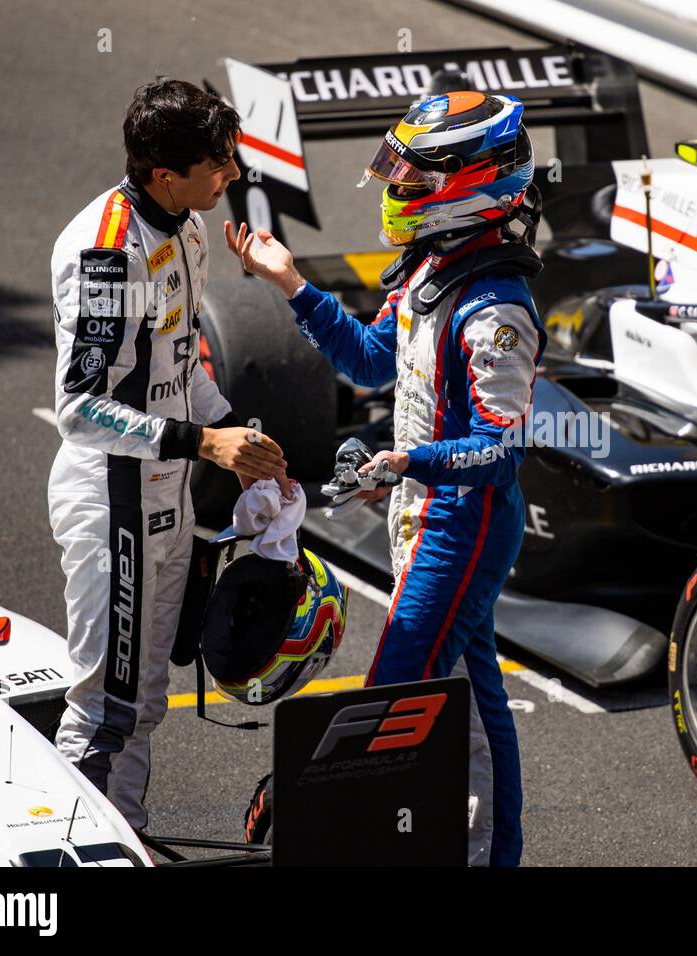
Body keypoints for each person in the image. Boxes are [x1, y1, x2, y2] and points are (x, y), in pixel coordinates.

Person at [225, 90, 546, 866]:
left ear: (467, 185)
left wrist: (411, 461)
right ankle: (488, 855)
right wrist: (293, 287)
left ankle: (310, 811)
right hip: (426, 510)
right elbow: (370, 362)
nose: (394, 188)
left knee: (395, 696)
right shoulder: (433, 266)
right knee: (471, 701)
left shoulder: (496, 305)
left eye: (409, 175)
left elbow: (500, 449)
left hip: (461, 522)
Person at [48, 79, 288, 830]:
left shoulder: (185, 225)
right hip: (111, 499)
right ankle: (77, 851)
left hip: (164, 493)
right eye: (219, 163)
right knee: (106, 708)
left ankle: (127, 833)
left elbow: (179, 369)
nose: (235, 175)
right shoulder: (110, 252)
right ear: (163, 172)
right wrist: (203, 442)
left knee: (148, 697)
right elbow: (80, 409)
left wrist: (237, 434)